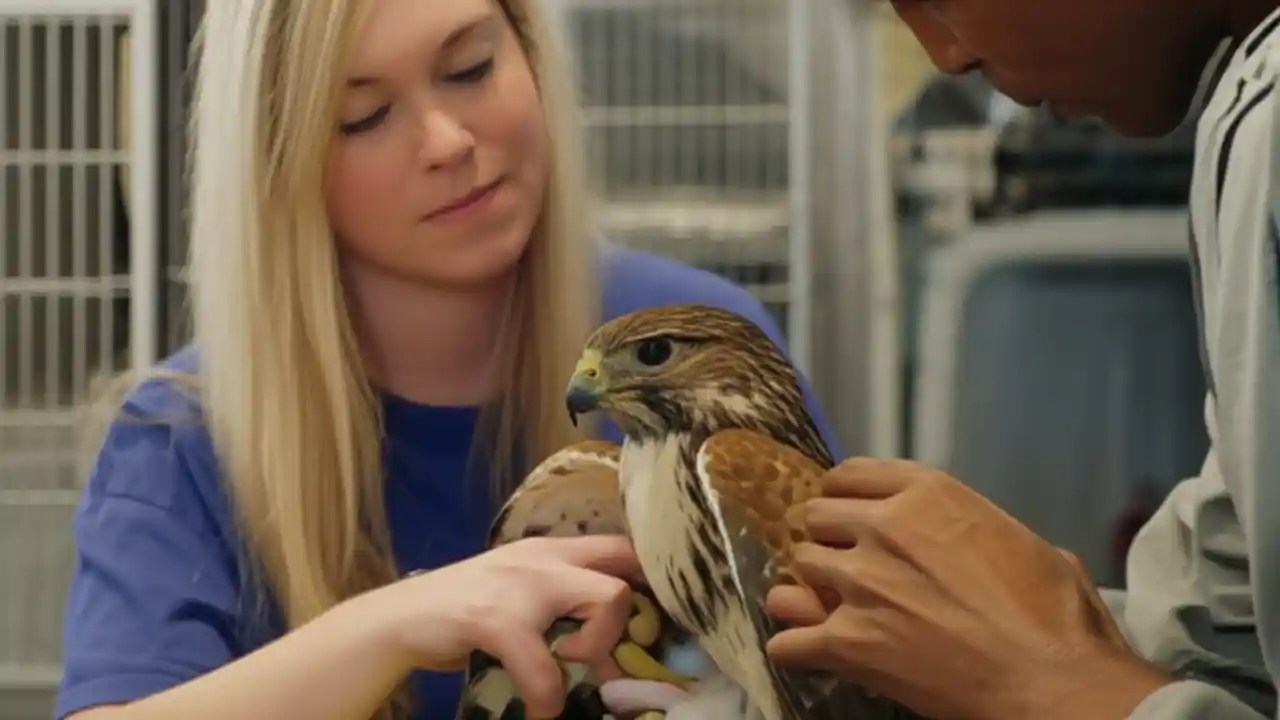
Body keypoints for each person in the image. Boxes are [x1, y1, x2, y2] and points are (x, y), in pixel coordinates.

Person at [52, 1, 838, 719]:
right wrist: (389, 628)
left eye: (470, 69)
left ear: (532, 57)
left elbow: (850, 670)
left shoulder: (704, 345)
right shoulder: (180, 435)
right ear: (278, 164)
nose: (448, 141)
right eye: (363, 116)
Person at [763, 0, 1280, 718]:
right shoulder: (1251, 96)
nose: (947, 57)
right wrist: (974, 627)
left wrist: (1040, 677)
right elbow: (1237, 630)